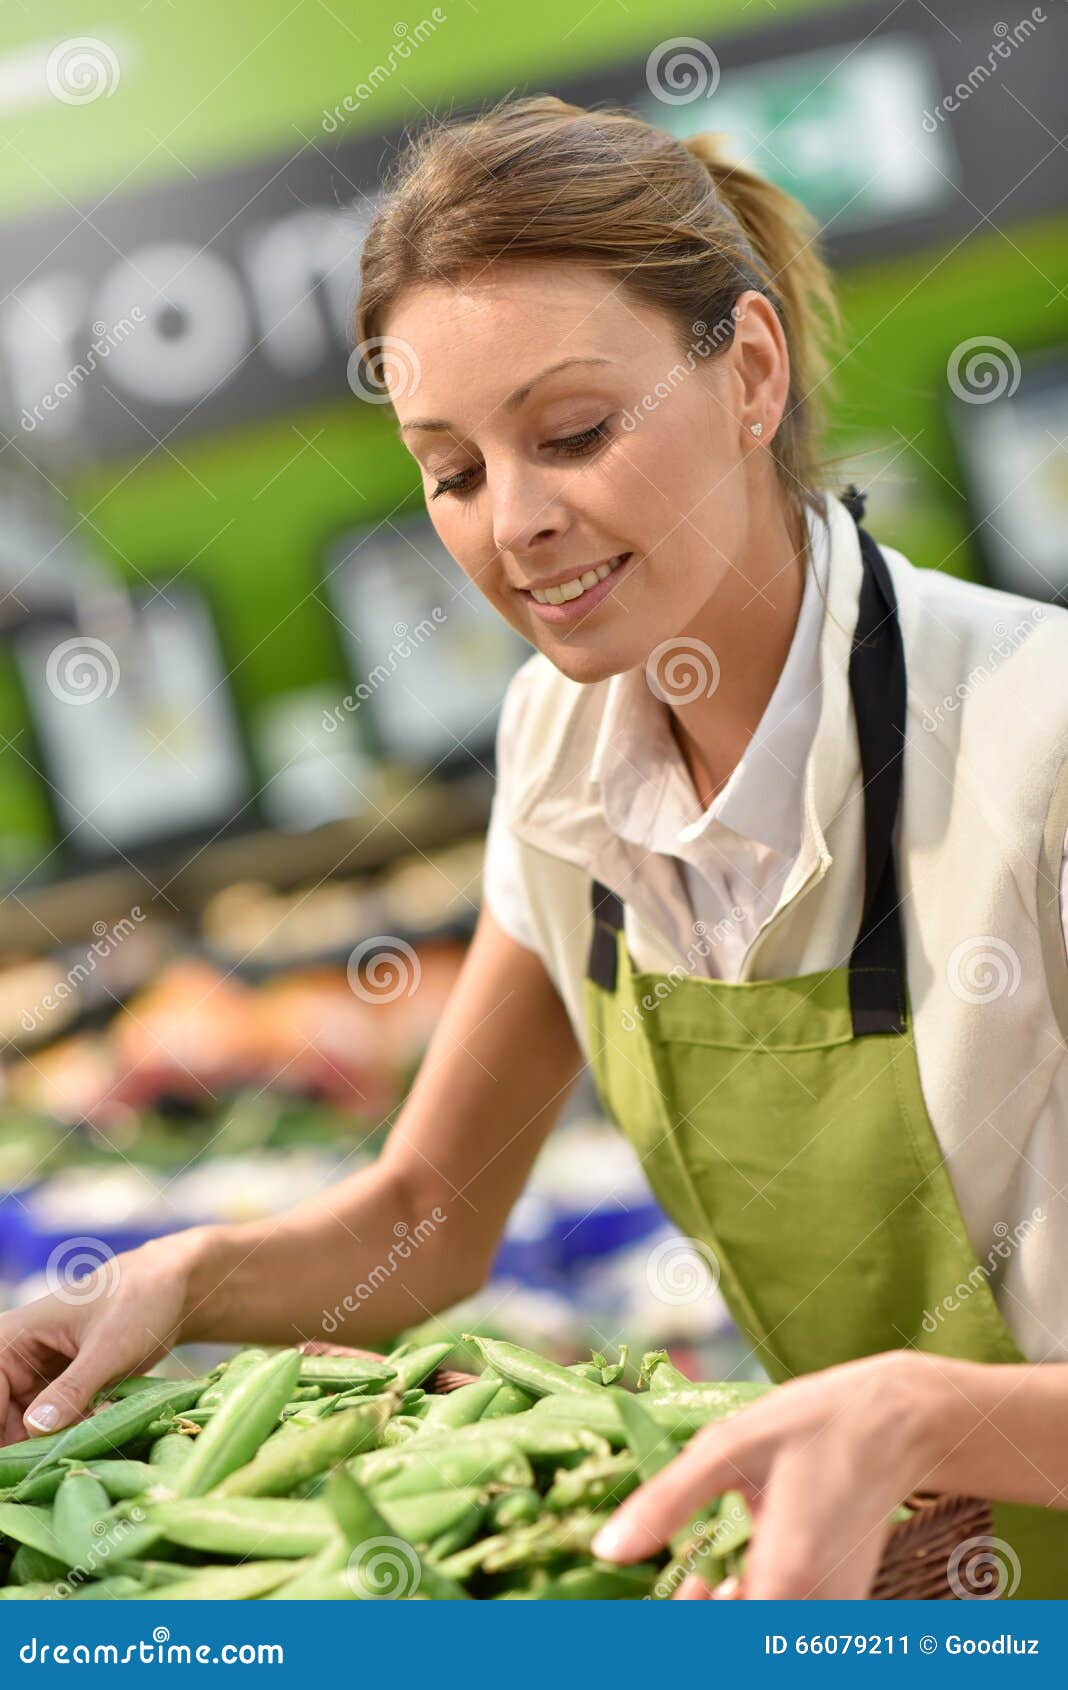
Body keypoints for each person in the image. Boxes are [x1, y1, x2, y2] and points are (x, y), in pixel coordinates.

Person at [2, 95, 1067, 1600]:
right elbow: (428, 1216)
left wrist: (918, 1412)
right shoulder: (559, 751)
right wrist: (176, 1283)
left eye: (573, 434)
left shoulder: (1037, 739)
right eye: (451, 472)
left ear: (750, 370)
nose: (517, 524)